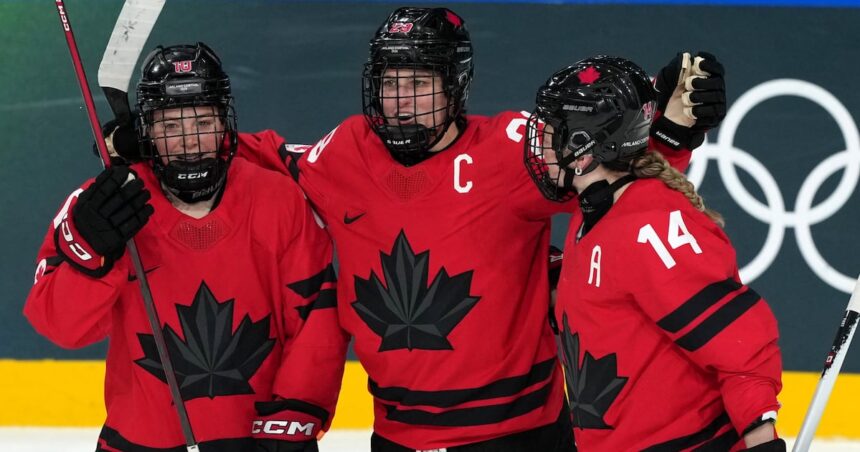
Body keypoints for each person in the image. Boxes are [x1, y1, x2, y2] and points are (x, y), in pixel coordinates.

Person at [239, 7, 726, 451]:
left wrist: (669, 132)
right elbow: (257, 157)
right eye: (390, 82)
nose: (400, 101)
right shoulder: (346, 152)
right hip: (395, 438)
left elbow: (615, 173)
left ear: (455, 85)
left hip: (521, 437)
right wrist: (192, 135)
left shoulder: (513, 149)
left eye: (418, 82)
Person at [24, 42, 346, 452]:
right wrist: (90, 258)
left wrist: (294, 418)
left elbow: (315, 321)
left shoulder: (278, 199)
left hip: (258, 442)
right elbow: (60, 327)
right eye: (170, 126)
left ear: (224, 123)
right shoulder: (107, 204)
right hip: (140, 442)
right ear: (146, 132)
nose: (189, 142)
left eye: (202, 122)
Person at [523, 56, 784, 451]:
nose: (539, 144)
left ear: (584, 149)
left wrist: (762, 439)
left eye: (551, 131)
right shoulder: (590, 215)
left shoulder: (649, 224)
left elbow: (739, 346)